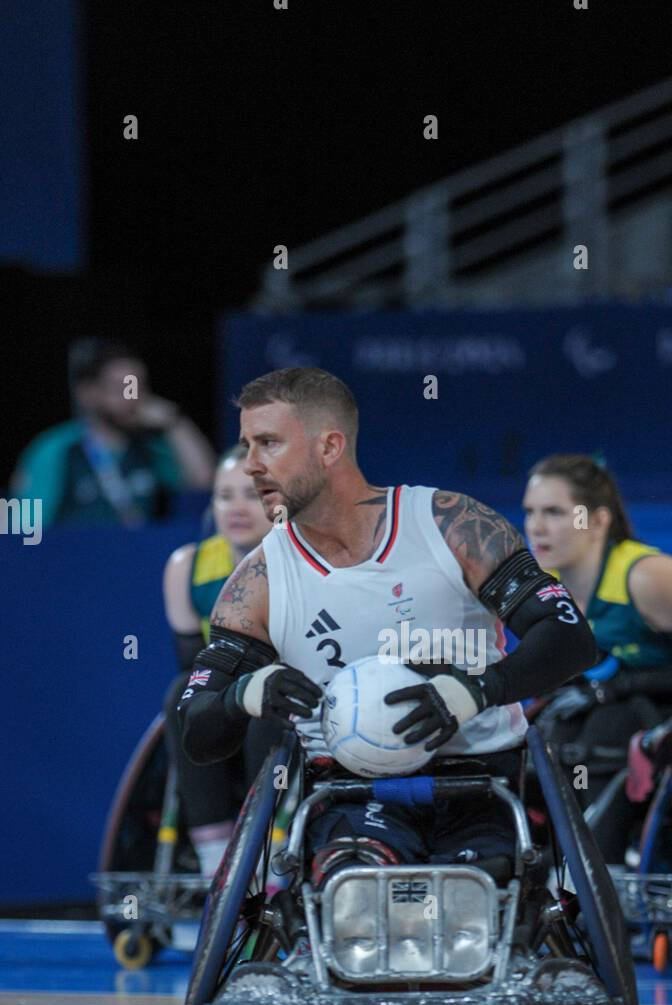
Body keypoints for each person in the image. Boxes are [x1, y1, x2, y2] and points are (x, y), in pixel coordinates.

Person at [176, 367, 599, 889]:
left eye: (268, 444)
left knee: (478, 895)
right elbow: (196, 729)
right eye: (246, 445)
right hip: (348, 797)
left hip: (484, 786)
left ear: (330, 447)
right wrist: (242, 692)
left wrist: (479, 690)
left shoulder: (451, 523)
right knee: (359, 891)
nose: (250, 466)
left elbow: (570, 638)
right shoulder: (257, 582)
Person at [522, 454, 672, 859]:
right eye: (530, 512)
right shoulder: (546, 589)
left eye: (554, 512)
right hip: (605, 707)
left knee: (606, 727)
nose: (536, 527)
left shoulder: (648, 577)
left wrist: (616, 688)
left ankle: (605, 871)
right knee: (537, 739)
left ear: (598, 521)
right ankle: (543, 872)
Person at [162, 448, 278, 878]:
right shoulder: (186, 566)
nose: (237, 508)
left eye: (251, 494)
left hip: (285, 694)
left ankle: (265, 844)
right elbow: (193, 664)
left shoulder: (302, 561)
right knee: (181, 695)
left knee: (268, 701)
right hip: (224, 691)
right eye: (224, 496)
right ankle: (215, 860)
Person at [12, 339, 215, 527]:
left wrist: (174, 422)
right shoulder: (57, 448)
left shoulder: (151, 446)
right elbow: (25, 524)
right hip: (71, 560)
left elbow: (203, 481)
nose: (133, 398)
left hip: (139, 556)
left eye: (138, 386)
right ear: (88, 393)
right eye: (122, 387)